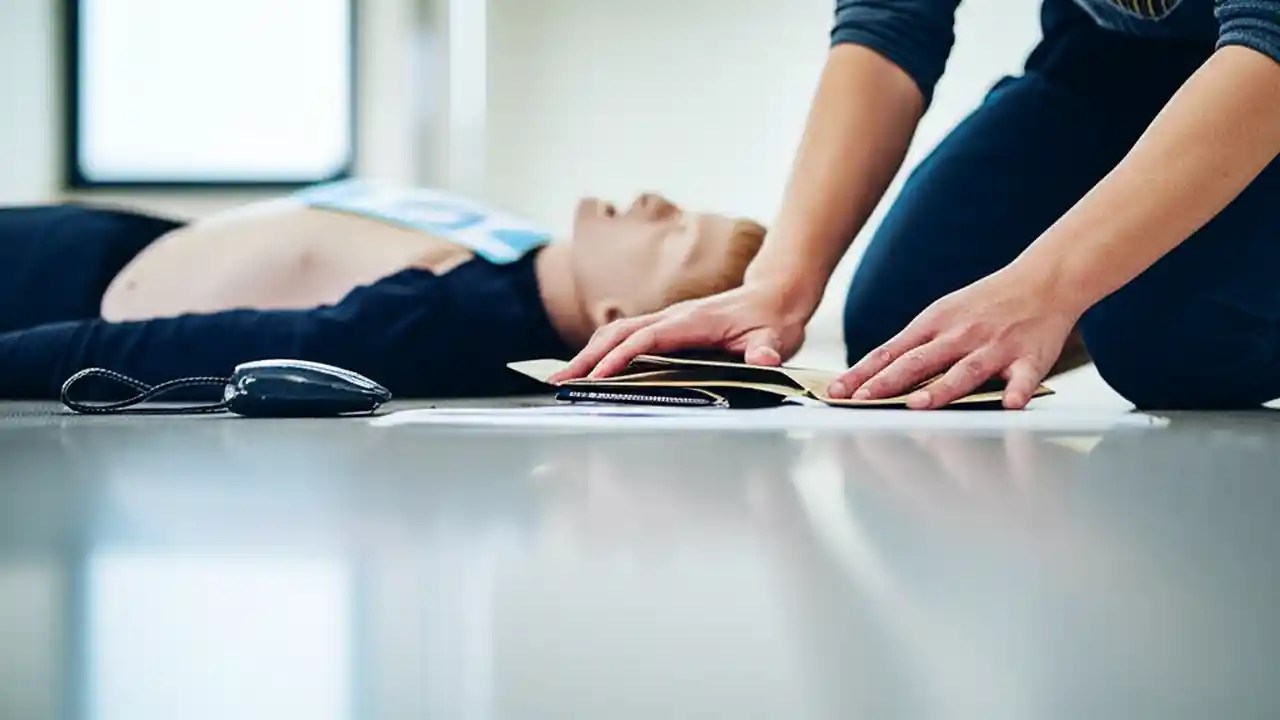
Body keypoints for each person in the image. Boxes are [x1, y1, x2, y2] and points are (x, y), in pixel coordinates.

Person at [553, 0, 1280, 410]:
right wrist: (780, 283)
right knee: (903, 330)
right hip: (1106, 65)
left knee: (1160, 337)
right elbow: (890, 23)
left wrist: (1050, 285)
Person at [0, 183, 764, 399]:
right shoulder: (508, 255)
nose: (660, 201)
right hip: (94, 242)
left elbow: (239, 348)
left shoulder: (460, 319)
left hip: (51, 291)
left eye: (676, 237)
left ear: (622, 321)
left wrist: (14, 360)